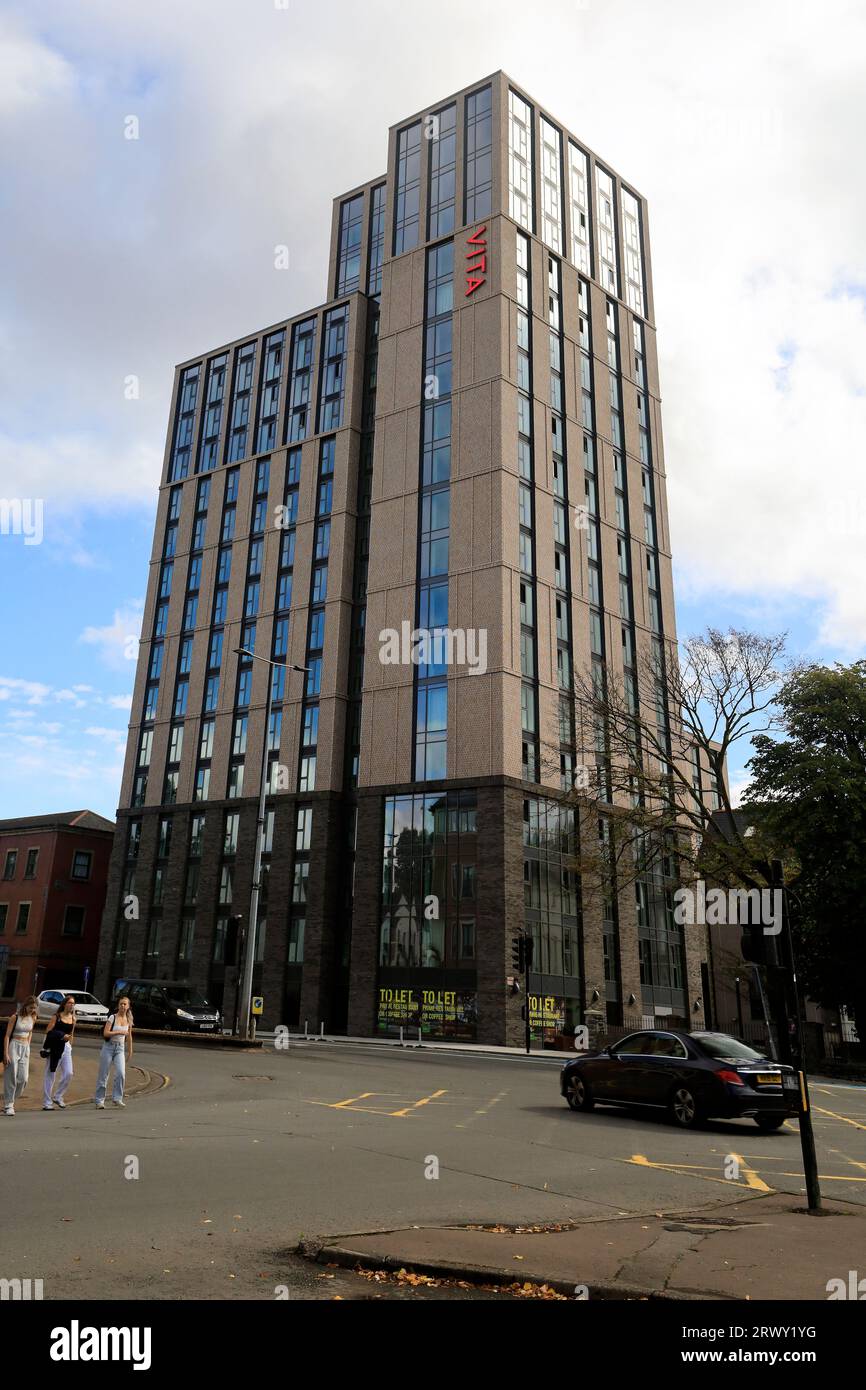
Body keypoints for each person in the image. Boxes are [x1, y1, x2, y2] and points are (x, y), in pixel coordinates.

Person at [94, 996, 133, 1108]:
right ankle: (99, 1100)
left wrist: (130, 1051)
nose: (123, 1006)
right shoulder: (112, 1017)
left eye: (125, 1004)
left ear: (128, 1006)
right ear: (118, 1005)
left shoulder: (128, 1020)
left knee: (121, 1073)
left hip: (120, 1049)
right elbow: (106, 1033)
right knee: (104, 1074)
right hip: (108, 1047)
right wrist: (117, 1032)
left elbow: (129, 1036)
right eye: (121, 1004)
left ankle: (117, 1098)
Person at [3, 996, 38, 1115]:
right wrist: (6, 1053)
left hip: (25, 1047)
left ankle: (11, 1098)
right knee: (11, 1075)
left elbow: (30, 1032)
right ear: (25, 1005)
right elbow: (7, 1035)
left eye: (34, 1008)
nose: (32, 1010)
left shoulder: (33, 1017)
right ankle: (9, 1105)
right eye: (30, 1007)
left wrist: (28, 1046)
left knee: (24, 1078)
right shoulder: (15, 1017)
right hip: (14, 1046)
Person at [42, 995, 76, 1110]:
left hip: (66, 1047)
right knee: (50, 1073)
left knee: (69, 1073)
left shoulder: (73, 1018)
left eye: (73, 1003)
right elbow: (48, 1031)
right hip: (55, 1046)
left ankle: (58, 1096)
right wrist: (61, 1036)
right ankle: (47, 1102)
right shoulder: (56, 1017)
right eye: (70, 1003)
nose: (72, 1005)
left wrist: (70, 1044)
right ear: (64, 1004)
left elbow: (72, 1033)